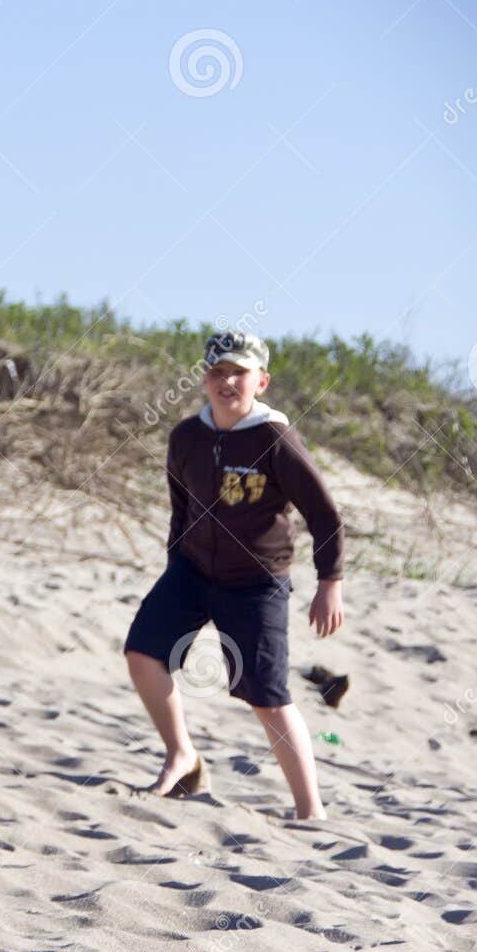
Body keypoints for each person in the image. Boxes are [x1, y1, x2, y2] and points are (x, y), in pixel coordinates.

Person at [124, 331, 345, 819]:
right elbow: (180, 508)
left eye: (238, 373)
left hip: (257, 582)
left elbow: (324, 513)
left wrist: (330, 583)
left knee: (266, 698)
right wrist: (173, 570)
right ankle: (181, 755)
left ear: (260, 381)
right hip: (192, 569)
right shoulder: (186, 437)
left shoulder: (275, 439)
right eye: (217, 371)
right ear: (203, 378)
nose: (226, 381)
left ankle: (311, 811)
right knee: (143, 654)